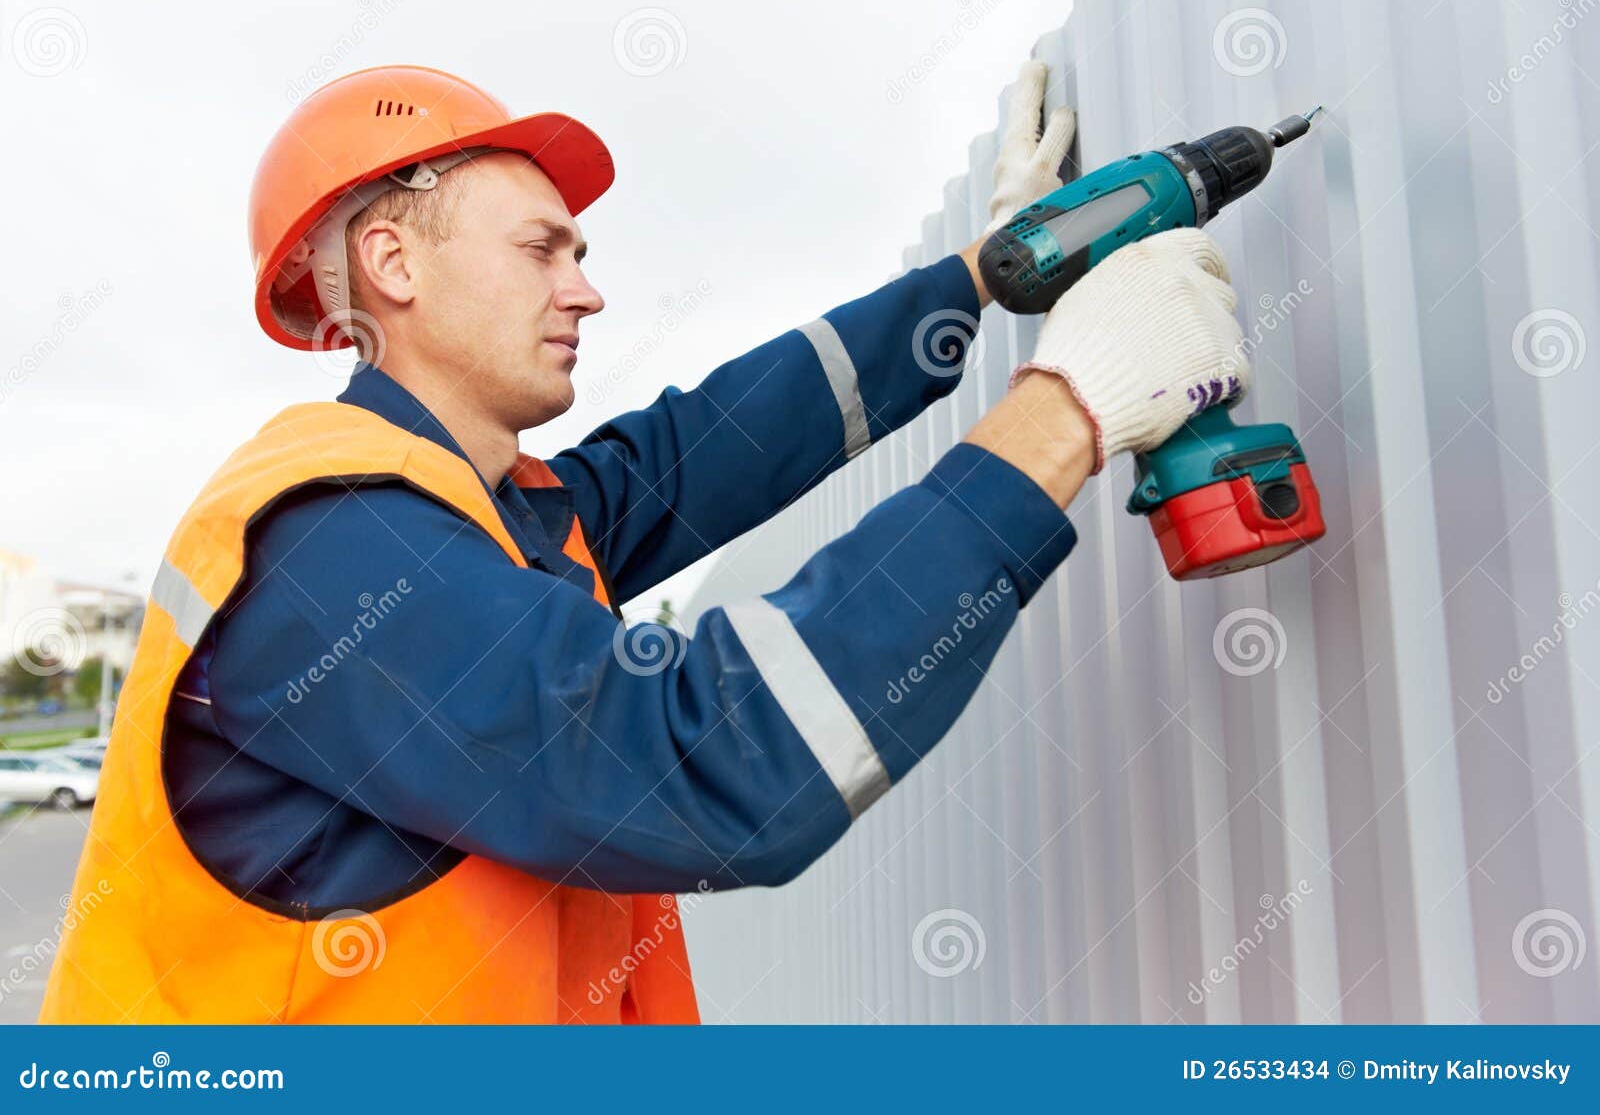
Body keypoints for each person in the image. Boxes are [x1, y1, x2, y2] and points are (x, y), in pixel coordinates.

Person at [41, 61, 1246, 1024]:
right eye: (541, 250)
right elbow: (711, 766)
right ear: (392, 261)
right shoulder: (329, 546)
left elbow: (719, 439)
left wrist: (984, 278)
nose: (587, 290)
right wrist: (1068, 411)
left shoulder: (498, 511)